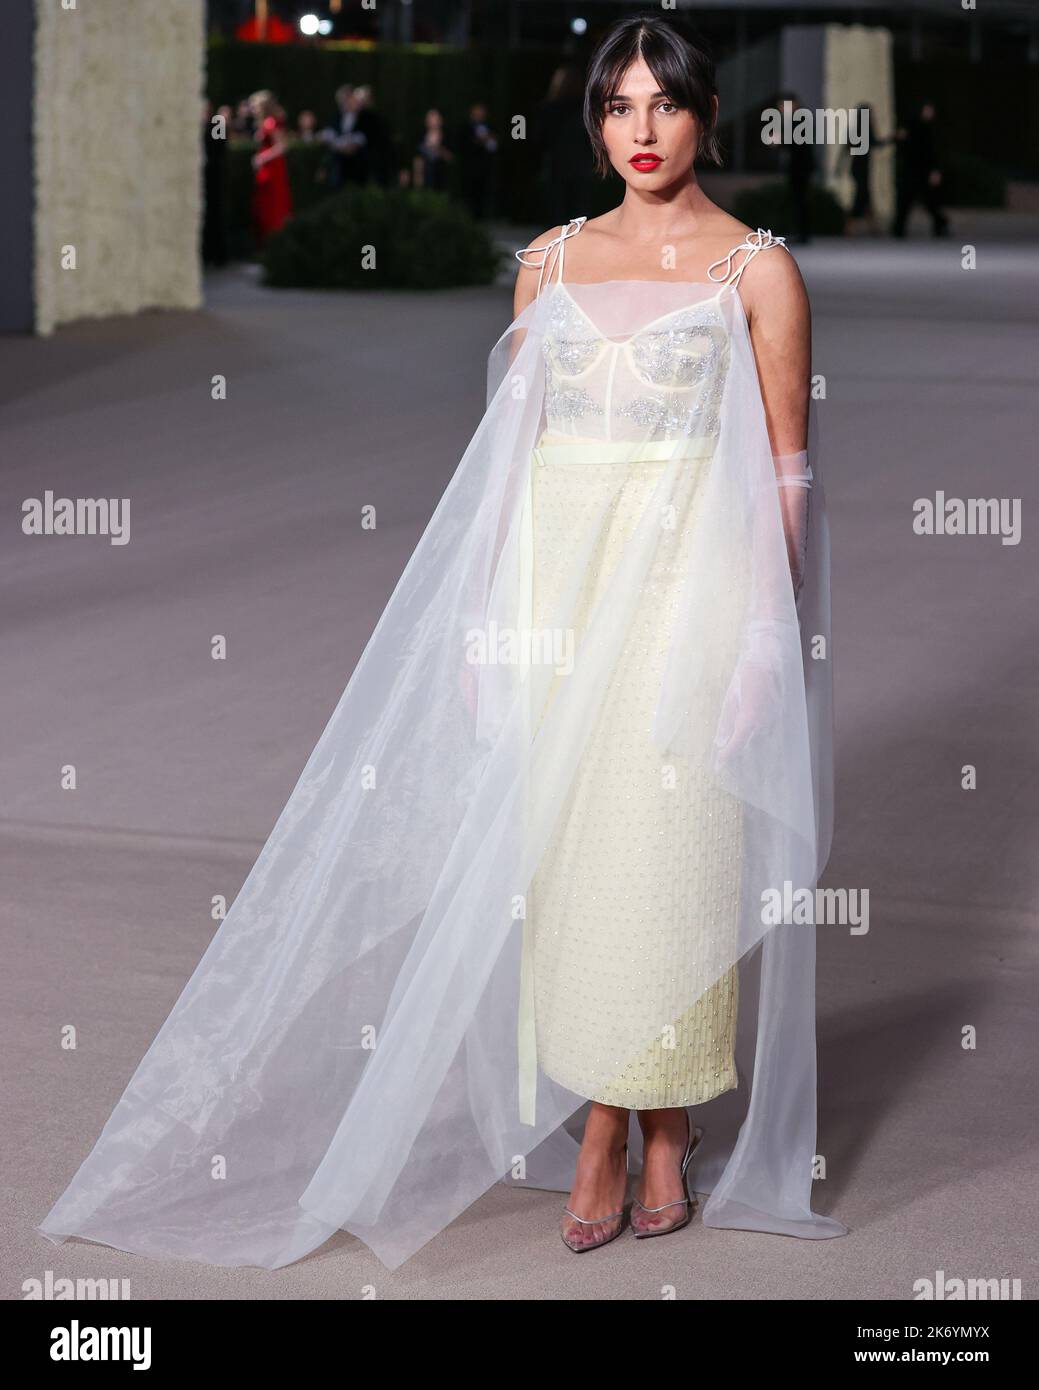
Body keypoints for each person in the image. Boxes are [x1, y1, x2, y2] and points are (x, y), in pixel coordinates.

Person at [36, 13, 846, 1273]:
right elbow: (504, 468)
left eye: (665, 106)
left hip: (689, 589)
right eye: (618, 106)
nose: (641, 131)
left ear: (703, 119)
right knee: (569, 860)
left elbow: (785, 469)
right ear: (593, 123)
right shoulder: (549, 265)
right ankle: (597, 1127)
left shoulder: (757, 272)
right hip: (557, 588)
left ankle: (668, 1125)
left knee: (669, 855)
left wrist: (757, 638)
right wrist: (484, 621)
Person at [892, 100, 949, 239]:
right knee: (905, 200)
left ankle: (940, 226)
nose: (930, 114)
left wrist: (936, 171)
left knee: (931, 201)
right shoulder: (910, 125)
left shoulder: (931, 129)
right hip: (911, 170)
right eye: (927, 110)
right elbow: (901, 145)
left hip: (924, 171)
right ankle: (898, 229)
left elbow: (934, 152)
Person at [248, 89, 292, 246]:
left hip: (273, 169)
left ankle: (273, 245)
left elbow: (282, 146)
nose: (253, 109)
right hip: (268, 169)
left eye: (256, 105)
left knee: (272, 207)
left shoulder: (271, 122)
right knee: (264, 206)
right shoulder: (268, 121)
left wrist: (262, 158)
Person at [457, 101, 499, 219]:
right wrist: (479, 141)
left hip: (485, 166)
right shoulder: (466, 127)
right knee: (469, 194)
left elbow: (493, 145)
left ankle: (482, 217)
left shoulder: (489, 127)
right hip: (470, 166)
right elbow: (464, 145)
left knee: (483, 193)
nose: (479, 114)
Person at [413, 108, 453, 192]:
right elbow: (417, 158)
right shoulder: (420, 137)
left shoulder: (447, 137)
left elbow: (450, 158)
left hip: (442, 178)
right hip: (424, 179)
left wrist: (438, 149)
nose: (432, 122)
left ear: (440, 121)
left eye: (435, 119)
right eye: (429, 119)